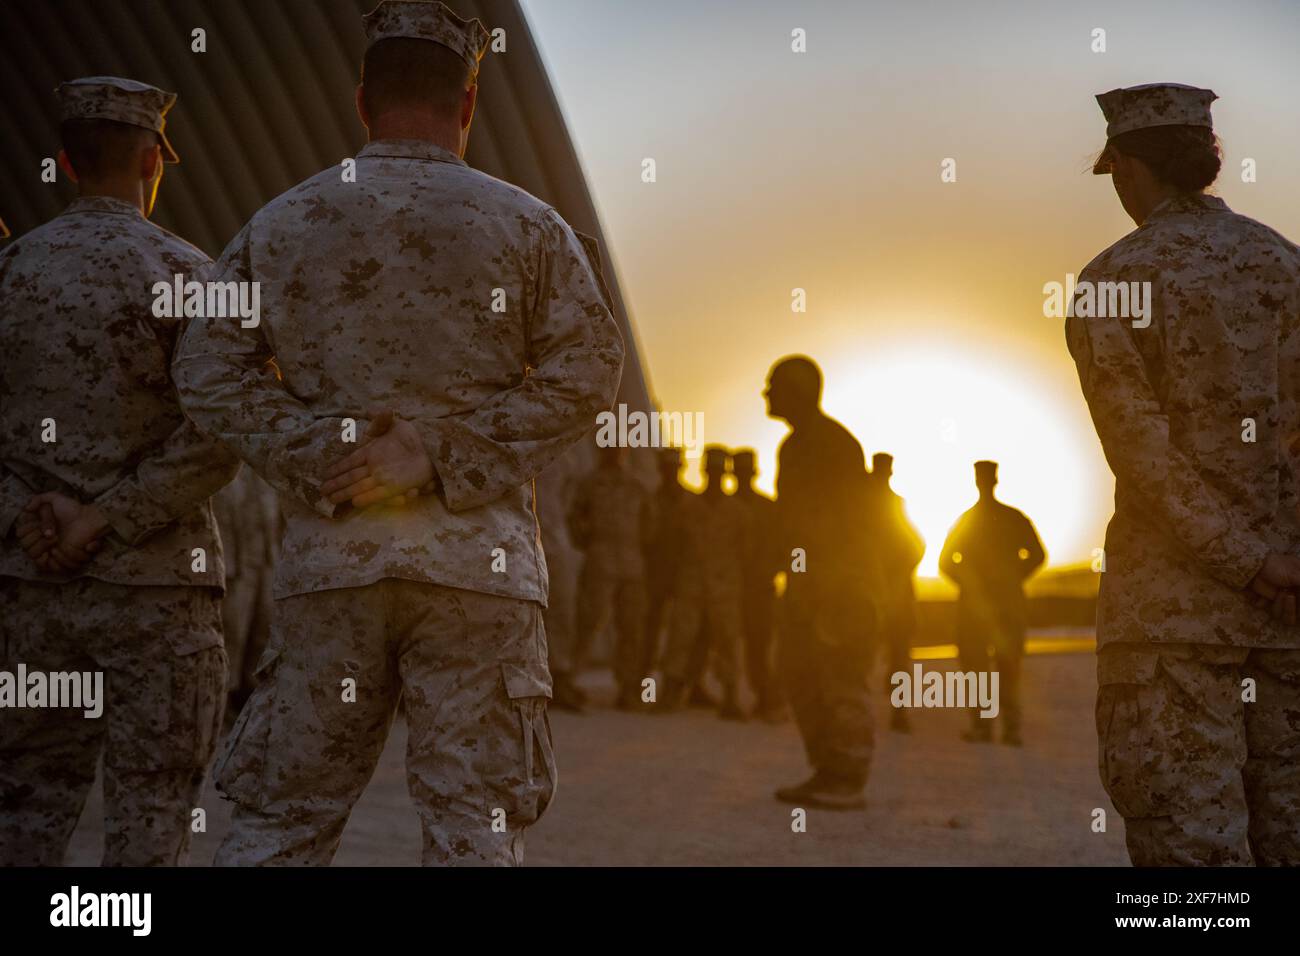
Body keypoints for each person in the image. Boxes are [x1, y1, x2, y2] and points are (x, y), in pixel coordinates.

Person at [173, 0, 623, 866]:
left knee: (279, 826)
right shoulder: (531, 227)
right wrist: (437, 455)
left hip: (334, 569)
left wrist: (329, 459)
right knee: (473, 832)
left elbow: (205, 368)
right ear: (467, 105)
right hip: (477, 575)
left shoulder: (282, 223)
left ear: (359, 102)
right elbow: (589, 371)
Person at [0, 77, 238, 865]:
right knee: (150, 816)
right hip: (156, 598)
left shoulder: (11, 271)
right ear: (152, 158)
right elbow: (220, 432)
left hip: (29, 590)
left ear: (66, 162)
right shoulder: (193, 277)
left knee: (22, 808)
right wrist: (109, 517)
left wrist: (27, 514)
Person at [1068, 82, 1300, 865]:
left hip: (1174, 630)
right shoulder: (1286, 266)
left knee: (1191, 877)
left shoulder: (1115, 279)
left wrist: (1245, 561)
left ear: (1133, 166)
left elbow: (1143, 453)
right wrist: (1281, 564)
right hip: (1290, 625)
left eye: (1118, 172)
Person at [766, 356, 876, 810]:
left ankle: (848, 776)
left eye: (773, 386)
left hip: (839, 584)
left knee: (840, 677)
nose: (766, 394)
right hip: (807, 582)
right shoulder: (795, 445)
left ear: (798, 391)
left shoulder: (833, 444)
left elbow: (845, 522)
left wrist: (832, 583)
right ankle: (827, 769)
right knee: (800, 672)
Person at [939, 461, 1043, 746]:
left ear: (979, 481)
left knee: (981, 667)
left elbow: (945, 563)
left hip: (979, 607)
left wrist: (972, 585)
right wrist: (1011, 580)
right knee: (1002, 666)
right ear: (994, 480)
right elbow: (1037, 555)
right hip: (1000, 604)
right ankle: (1007, 729)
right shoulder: (1011, 518)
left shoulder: (967, 520)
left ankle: (989, 728)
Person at [562, 444, 652, 710]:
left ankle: (628, 688)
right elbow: (574, 518)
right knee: (588, 621)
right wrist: (587, 542)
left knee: (631, 626)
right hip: (600, 560)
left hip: (631, 563)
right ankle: (569, 679)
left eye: (619, 448)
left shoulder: (637, 485)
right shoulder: (589, 484)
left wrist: (639, 546)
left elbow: (649, 522)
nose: (614, 453)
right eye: (609, 448)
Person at [661, 446, 747, 718]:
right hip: (691, 584)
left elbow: (747, 551)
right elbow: (672, 547)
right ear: (704, 471)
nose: (715, 476)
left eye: (720, 472)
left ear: (726, 474)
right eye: (711, 471)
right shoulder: (686, 508)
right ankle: (670, 693)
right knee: (680, 639)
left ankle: (731, 697)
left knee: (728, 642)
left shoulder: (739, 513)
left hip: (725, 587)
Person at [213, 465, 283, 716]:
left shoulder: (262, 463)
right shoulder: (222, 464)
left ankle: (252, 703)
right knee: (232, 633)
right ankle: (223, 702)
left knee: (263, 632)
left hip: (265, 560)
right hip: (235, 564)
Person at [867, 452, 924, 732]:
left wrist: (898, 573)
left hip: (887, 593)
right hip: (870, 593)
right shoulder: (863, 508)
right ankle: (893, 712)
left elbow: (915, 547)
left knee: (896, 656)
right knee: (873, 656)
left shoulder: (892, 505)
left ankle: (897, 712)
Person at [731, 448, 786, 722]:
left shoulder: (768, 509)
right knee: (729, 645)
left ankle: (767, 698)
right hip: (729, 587)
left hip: (760, 587)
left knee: (761, 646)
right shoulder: (725, 507)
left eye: (744, 472)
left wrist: (771, 569)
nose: (741, 478)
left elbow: (785, 547)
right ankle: (734, 699)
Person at [641, 446, 687, 680]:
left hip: (684, 575)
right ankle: (643, 679)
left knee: (684, 632)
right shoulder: (648, 500)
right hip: (655, 573)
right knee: (650, 628)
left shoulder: (691, 503)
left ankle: (682, 682)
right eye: (666, 468)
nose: (670, 473)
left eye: (674, 468)